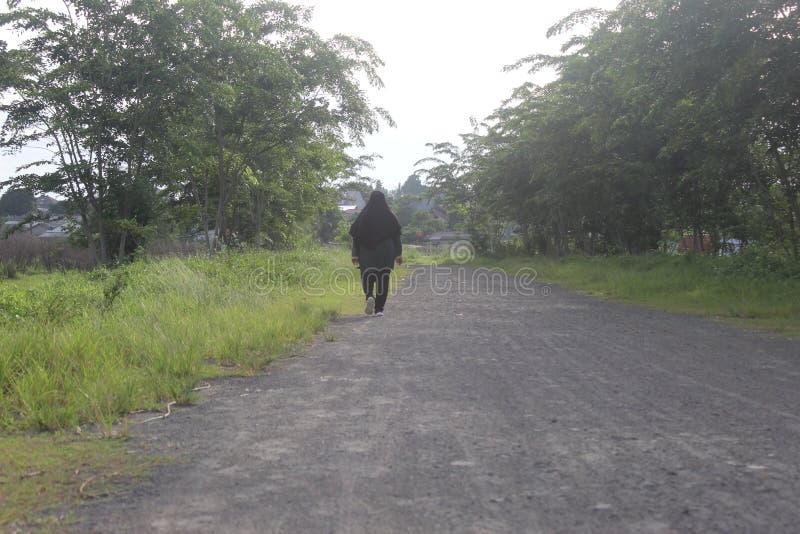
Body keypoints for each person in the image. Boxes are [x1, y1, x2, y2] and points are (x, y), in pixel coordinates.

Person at [350, 191, 403, 317]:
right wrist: (398, 254)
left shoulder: (364, 215)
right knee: (383, 280)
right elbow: (396, 237)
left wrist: (355, 254)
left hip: (367, 253)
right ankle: (379, 309)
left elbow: (356, 237)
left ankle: (369, 296)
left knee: (368, 277)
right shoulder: (390, 216)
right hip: (385, 252)